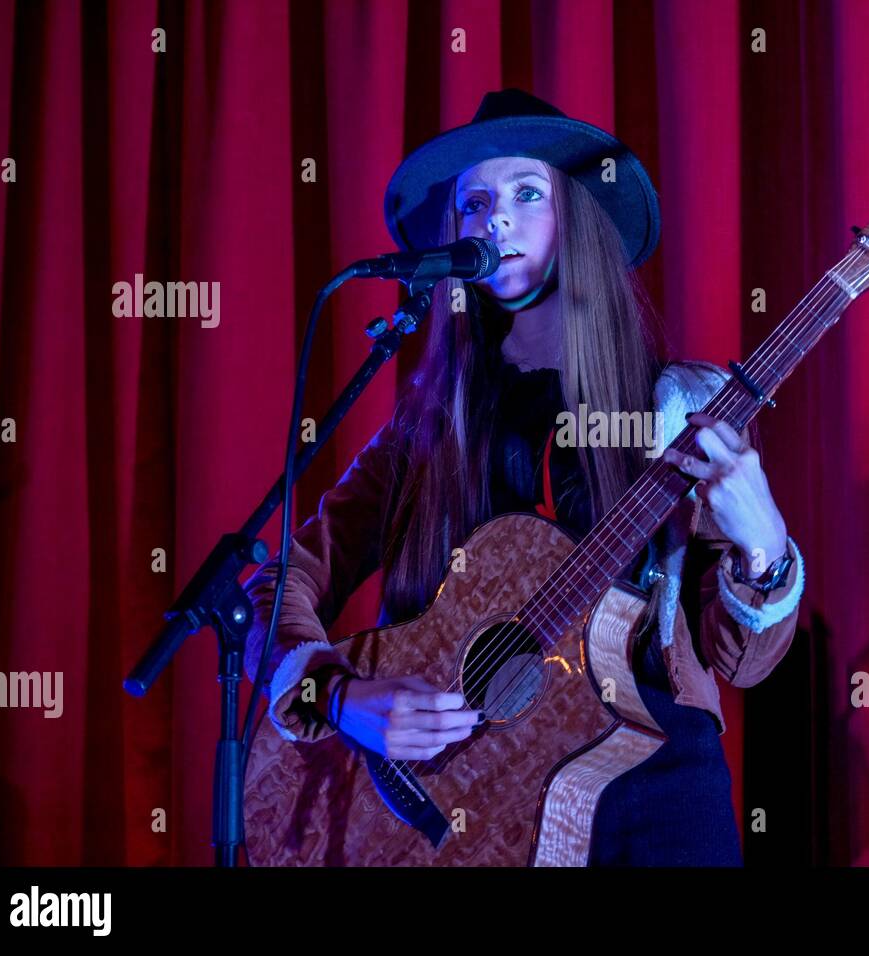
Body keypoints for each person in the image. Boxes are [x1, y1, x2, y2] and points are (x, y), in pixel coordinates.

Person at [244, 89, 805, 866]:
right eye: (473, 202)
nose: (492, 220)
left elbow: (745, 662)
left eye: (526, 194)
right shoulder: (428, 434)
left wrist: (764, 549)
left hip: (653, 798)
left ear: (579, 220)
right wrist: (337, 697)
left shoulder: (681, 408)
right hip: (458, 814)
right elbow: (274, 593)